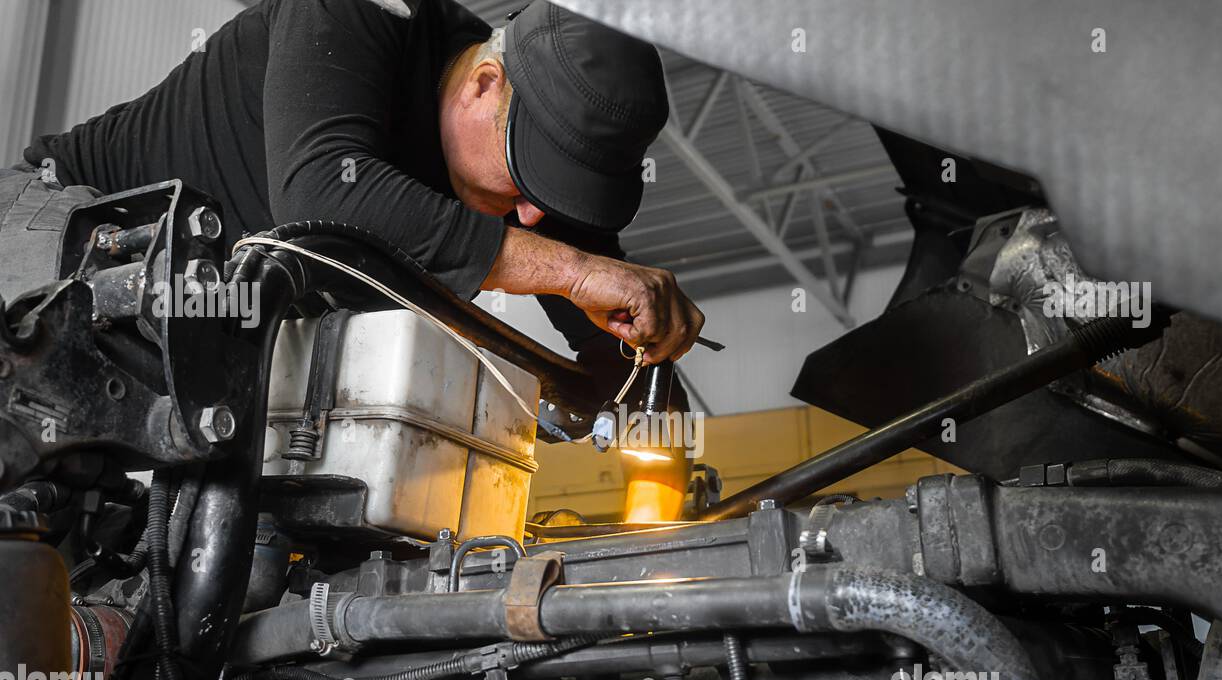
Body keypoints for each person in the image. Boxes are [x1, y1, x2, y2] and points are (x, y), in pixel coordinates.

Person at [10, 0, 705, 392]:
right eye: (525, 182)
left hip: (185, 324)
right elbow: (320, 201)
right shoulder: (364, 12)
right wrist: (575, 271)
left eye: (552, 201)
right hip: (60, 244)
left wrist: (655, 396)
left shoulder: (520, 168)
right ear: (484, 84)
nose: (533, 216)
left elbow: (616, 345)